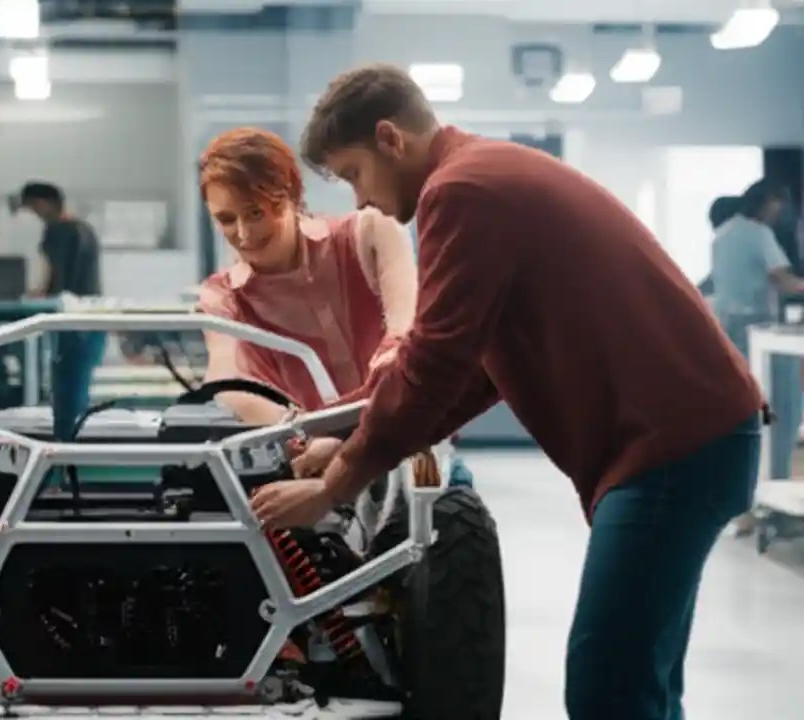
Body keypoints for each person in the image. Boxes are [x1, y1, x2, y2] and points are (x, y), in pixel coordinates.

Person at [249, 62, 766, 720]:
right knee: (640, 682)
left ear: (390, 139)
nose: (359, 202)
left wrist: (336, 484)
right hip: (697, 438)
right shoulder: (485, 173)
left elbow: (436, 359)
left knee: (608, 684)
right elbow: (475, 370)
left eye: (353, 174)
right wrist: (349, 436)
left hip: (674, 449)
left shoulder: (461, 190)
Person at [193, 127, 473, 488]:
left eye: (257, 213)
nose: (244, 234)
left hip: (405, 451)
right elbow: (228, 386)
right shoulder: (222, 297)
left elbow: (406, 344)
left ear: (292, 195)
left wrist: (342, 440)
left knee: (452, 514)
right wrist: (306, 438)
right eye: (227, 219)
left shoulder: (372, 233)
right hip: (310, 466)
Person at [710, 181, 804, 503]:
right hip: (759, 330)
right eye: (780, 205)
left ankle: (741, 484)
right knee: (784, 405)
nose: (782, 213)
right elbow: (784, 281)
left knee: (746, 409)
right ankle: (774, 480)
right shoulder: (758, 233)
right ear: (768, 201)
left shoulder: (722, 234)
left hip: (730, 332)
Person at [18, 181, 105, 441]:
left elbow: (53, 277)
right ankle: (74, 453)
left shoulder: (57, 231)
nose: (34, 214)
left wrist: (36, 295)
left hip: (69, 321)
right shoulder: (85, 229)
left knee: (65, 396)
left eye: (33, 207)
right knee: (79, 393)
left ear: (44, 204)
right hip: (92, 318)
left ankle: (63, 454)